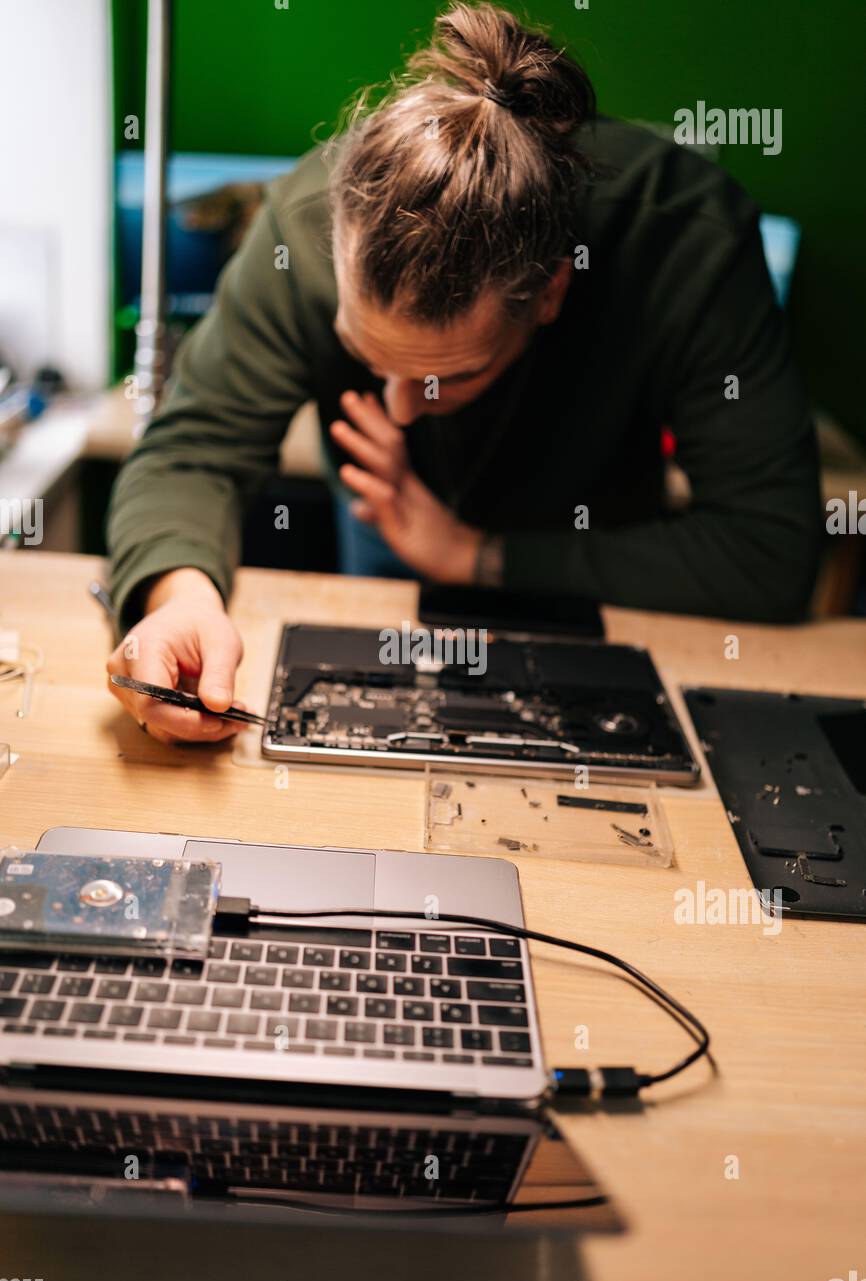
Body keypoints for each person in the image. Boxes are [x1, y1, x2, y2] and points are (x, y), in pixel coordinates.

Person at [106, 2, 821, 743]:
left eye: (445, 376)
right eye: (369, 357)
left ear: (550, 290)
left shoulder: (684, 237)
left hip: (610, 583)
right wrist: (176, 594)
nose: (401, 412)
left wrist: (473, 556)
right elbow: (189, 453)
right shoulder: (299, 228)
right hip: (386, 534)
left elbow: (768, 550)